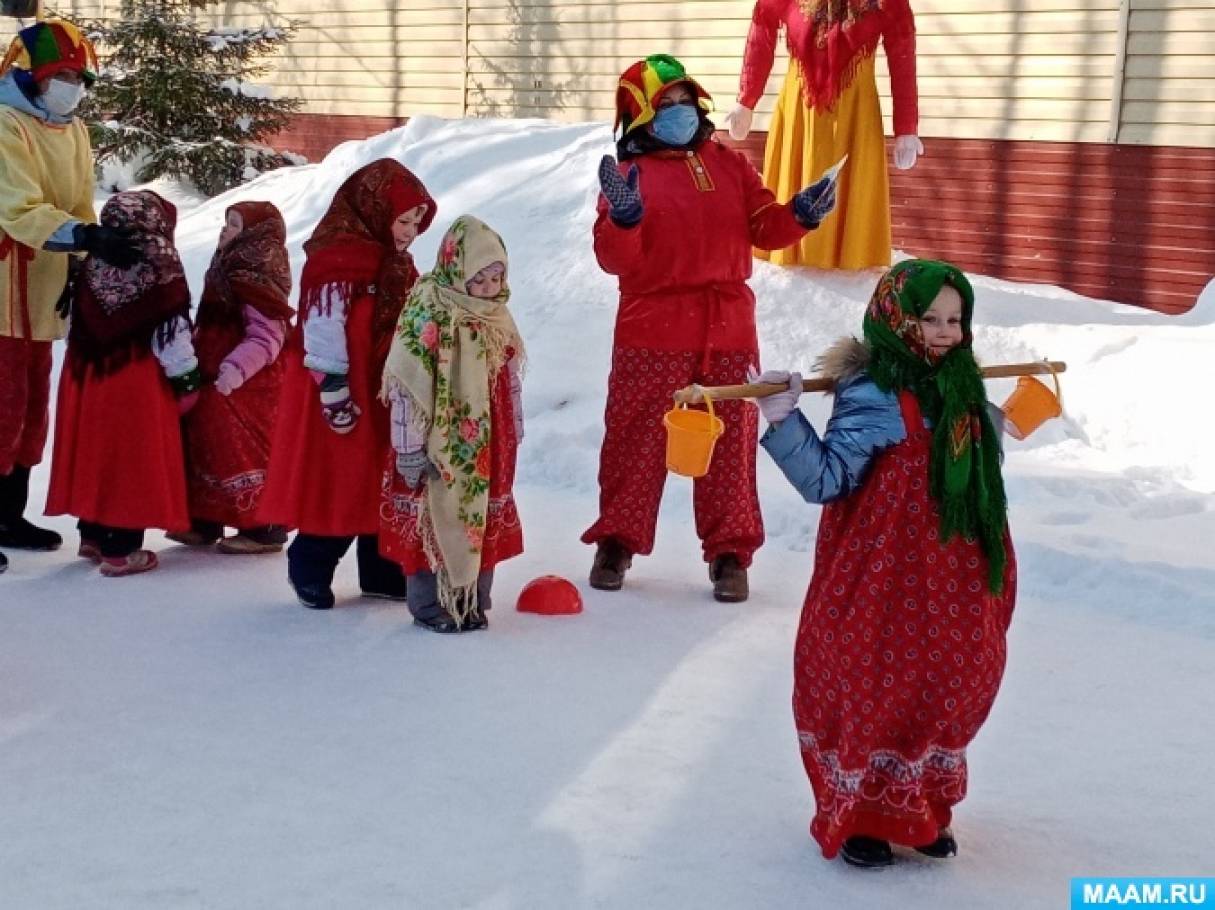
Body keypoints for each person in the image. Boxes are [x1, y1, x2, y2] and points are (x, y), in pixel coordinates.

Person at [756, 259, 1016, 867]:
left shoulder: (965, 386)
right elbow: (826, 480)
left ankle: (921, 808)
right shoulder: (872, 392)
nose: (947, 333)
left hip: (956, 570)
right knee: (875, 686)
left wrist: (992, 425)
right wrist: (783, 420)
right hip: (880, 574)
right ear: (898, 318)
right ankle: (864, 817)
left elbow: (982, 473)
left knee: (948, 682)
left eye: (956, 320)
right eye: (931, 320)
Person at [582, 53, 837, 603]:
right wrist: (623, 220)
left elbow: (763, 227)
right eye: (664, 103)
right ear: (642, 115)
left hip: (727, 326)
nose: (679, 111)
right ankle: (617, 544)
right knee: (636, 439)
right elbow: (613, 258)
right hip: (653, 325)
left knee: (730, 444)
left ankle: (730, 555)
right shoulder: (629, 175)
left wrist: (801, 212)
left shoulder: (728, 163)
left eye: (684, 100)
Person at [260, 159, 436, 609]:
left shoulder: (397, 264)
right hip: (341, 388)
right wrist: (334, 388)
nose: (409, 232)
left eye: (417, 222)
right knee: (340, 478)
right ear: (373, 209)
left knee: (380, 477)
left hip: (382, 390)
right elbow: (322, 324)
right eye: (403, 220)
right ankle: (311, 566)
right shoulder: (338, 256)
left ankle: (380, 569)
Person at [0, 19, 141, 574]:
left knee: (32, 408)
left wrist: (85, 258)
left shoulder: (73, 129)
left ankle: (8, 514)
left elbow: (80, 202)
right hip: (6, 283)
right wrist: (80, 235)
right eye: (61, 74)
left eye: (79, 76)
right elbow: (16, 207)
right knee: (2, 405)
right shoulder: (7, 126)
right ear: (28, 75)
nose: (72, 85)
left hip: (44, 286)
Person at [380, 215, 525, 633]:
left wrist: (513, 431)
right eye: (478, 279)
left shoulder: (497, 317)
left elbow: (510, 379)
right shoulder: (428, 312)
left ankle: (472, 601)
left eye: (496, 277)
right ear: (455, 268)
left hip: (488, 441)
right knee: (436, 516)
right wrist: (407, 447)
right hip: (437, 440)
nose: (488, 288)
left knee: (477, 517)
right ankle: (429, 604)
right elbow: (406, 387)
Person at [45, 190, 200, 576]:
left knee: (96, 453)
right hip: (137, 380)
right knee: (131, 460)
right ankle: (122, 549)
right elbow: (172, 333)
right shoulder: (159, 260)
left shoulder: (94, 259)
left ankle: (93, 535)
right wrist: (188, 381)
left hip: (89, 376)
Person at [724, 0, 920, 270]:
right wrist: (746, 100)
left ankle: (850, 257)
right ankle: (789, 250)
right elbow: (760, 35)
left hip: (856, 111)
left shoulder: (883, 3)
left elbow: (903, 54)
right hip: (800, 108)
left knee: (852, 180)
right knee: (797, 172)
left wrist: (906, 127)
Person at [177, 202, 292, 553]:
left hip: (247, 383)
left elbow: (267, 334)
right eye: (226, 223)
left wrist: (236, 369)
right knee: (205, 445)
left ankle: (263, 527)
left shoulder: (256, 270)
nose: (226, 230)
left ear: (257, 235)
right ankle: (205, 518)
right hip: (212, 373)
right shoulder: (226, 263)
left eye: (235, 225)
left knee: (242, 450)